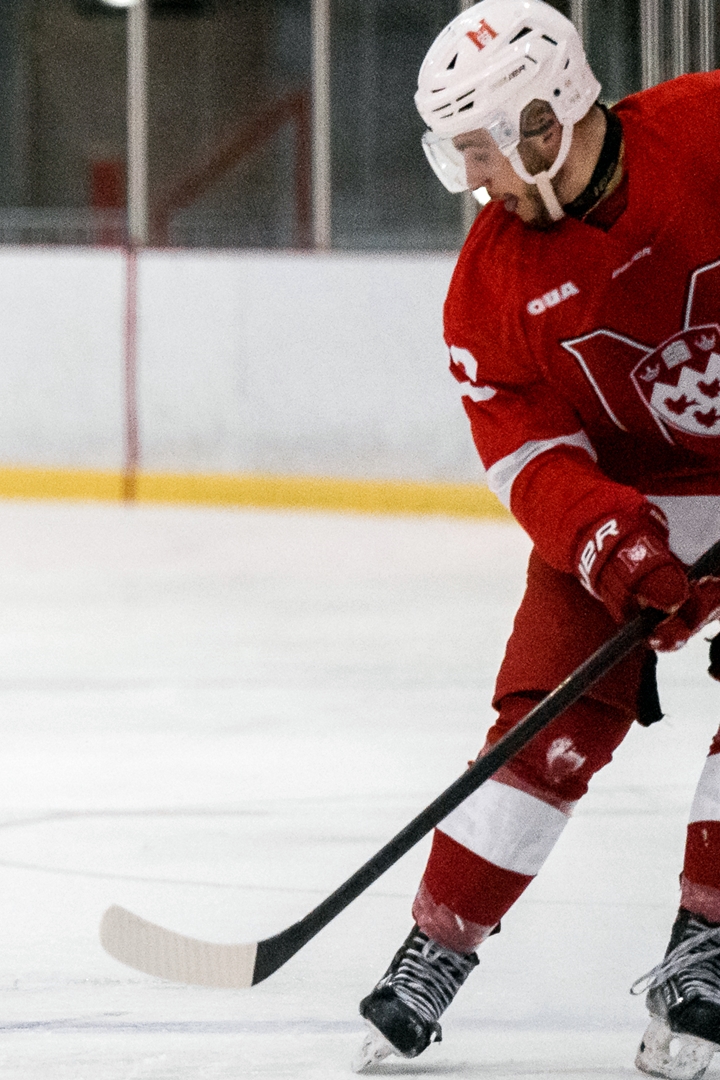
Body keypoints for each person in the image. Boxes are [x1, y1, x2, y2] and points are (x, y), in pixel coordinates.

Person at [355, 1, 720, 1072]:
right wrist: (620, 548)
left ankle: (705, 946)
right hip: (627, 492)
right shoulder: (490, 288)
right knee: (544, 727)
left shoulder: (706, 131)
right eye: (460, 154)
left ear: (548, 114)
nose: (482, 180)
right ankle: (437, 947)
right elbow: (533, 460)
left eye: (487, 148)